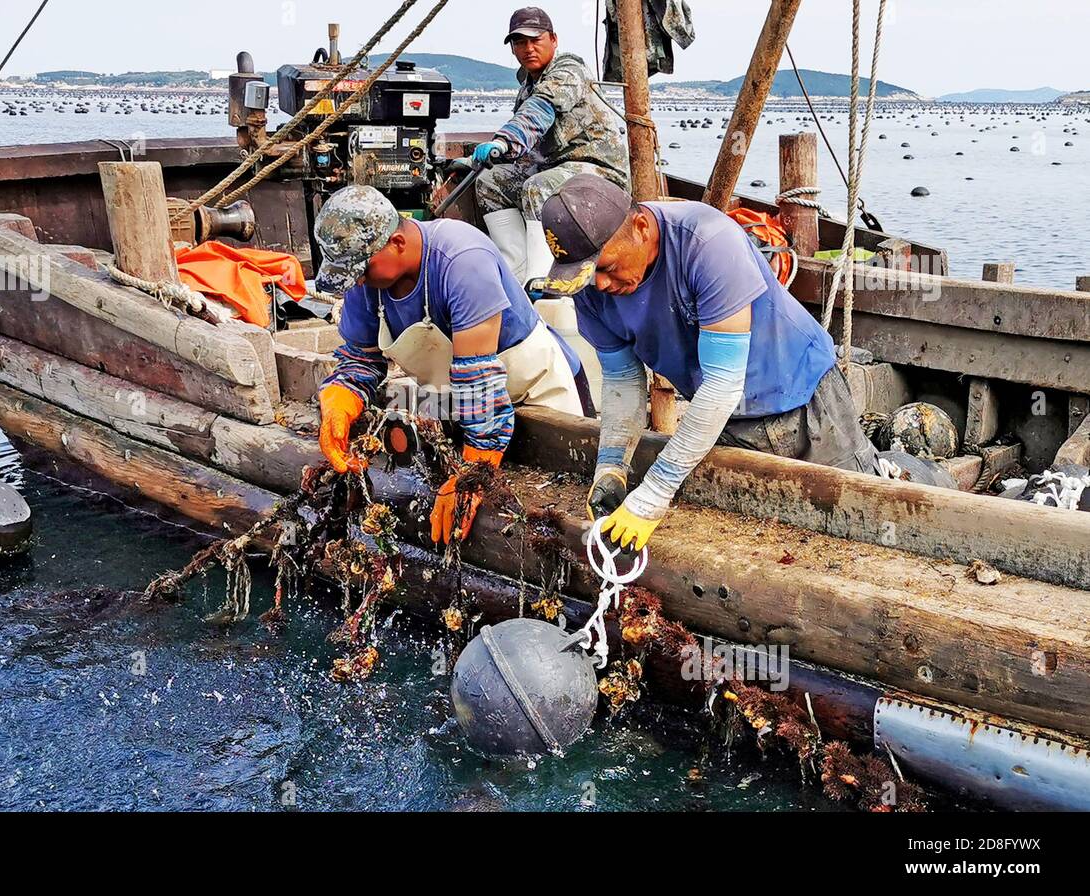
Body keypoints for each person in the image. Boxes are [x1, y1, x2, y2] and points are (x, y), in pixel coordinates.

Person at [540, 173, 881, 552]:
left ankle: (907, 472)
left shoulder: (708, 243)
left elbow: (722, 382)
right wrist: (611, 465)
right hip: (724, 420)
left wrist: (653, 493)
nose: (600, 284)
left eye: (605, 267)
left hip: (803, 400)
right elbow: (621, 379)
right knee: (769, 540)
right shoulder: (590, 289)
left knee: (859, 522)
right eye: (588, 275)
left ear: (639, 227)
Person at [313, 185, 593, 544]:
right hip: (461, 404)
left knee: (554, 505)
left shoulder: (462, 259)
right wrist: (339, 401)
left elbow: (478, 378)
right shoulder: (364, 282)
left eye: (362, 270)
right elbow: (361, 358)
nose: (359, 281)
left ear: (397, 242)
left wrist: (474, 472)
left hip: (536, 388)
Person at [471, 6, 629, 288]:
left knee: (538, 187)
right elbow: (530, 140)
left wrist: (505, 140)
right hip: (559, 169)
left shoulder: (568, 69)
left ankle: (542, 280)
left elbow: (541, 110)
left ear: (553, 40)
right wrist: (497, 155)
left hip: (599, 172)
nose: (528, 48)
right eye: (520, 42)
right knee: (490, 182)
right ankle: (515, 273)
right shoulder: (528, 84)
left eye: (536, 40)